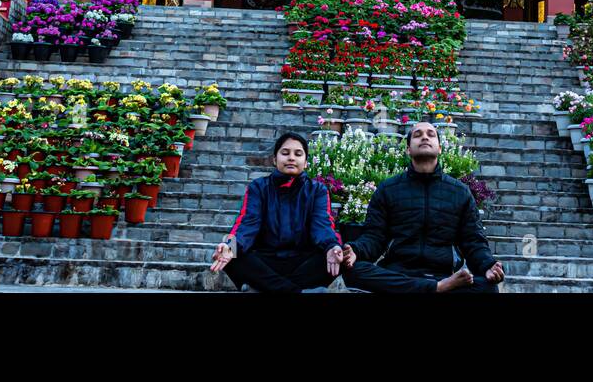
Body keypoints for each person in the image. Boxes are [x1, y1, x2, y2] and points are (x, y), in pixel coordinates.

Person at [342, 121, 505, 293]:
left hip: (442, 275)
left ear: (440, 148)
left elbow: (473, 241)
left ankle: (433, 287)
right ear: (408, 149)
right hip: (399, 274)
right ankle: (435, 289)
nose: (425, 137)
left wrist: (488, 266)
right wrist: (356, 251)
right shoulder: (388, 189)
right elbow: (374, 237)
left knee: (488, 287)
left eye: (431, 134)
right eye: (418, 135)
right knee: (353, 271)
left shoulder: (460, 192)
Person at [210, 130, 344, 293]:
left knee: (338, 256)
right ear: (275, 159)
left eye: (298, 154)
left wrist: (332, 246)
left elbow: (322, 225)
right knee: (232, 255)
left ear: (306, 162)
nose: (291, 158)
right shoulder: (259, 187)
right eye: (285, 153)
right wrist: (230, 246)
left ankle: (263, 289)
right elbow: (246, 224)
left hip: (301, 261)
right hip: (266, 261)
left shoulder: (317, 190)